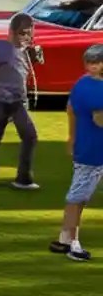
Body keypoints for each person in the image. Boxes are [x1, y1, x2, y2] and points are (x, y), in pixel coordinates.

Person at [0, 13, 39, 190]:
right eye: (22, 33)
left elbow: (25, 72)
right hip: (0, 100)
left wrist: (33, 56)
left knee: (30, 136)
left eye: (28, 34)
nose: (25, 38)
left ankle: (23, 178)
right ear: (11, 31)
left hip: (18, 101)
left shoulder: (25, 50)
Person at [53, 44, 103, 261]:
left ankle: (64, 238)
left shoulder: (80, 84)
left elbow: (71, 109)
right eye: (91, 62)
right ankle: (74, 245)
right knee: (78, 198)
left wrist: (71, 138)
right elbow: (99, 120)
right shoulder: (96, 90)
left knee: (77, 195)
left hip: (84, 146)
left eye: (96, 62)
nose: (93, 66)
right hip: (95, 151)